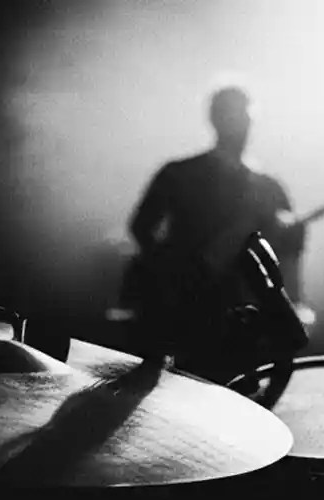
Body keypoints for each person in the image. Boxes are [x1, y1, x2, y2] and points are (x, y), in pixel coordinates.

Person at [127, 83, 306, 377]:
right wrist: (174, 277)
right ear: (215, 120)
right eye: (235, 116)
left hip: (244, 318)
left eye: (247, 117)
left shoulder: (268, 188)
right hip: (185, 314)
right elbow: (141, 228)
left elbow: (287, 251)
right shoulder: (179, 174)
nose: (243, 125)